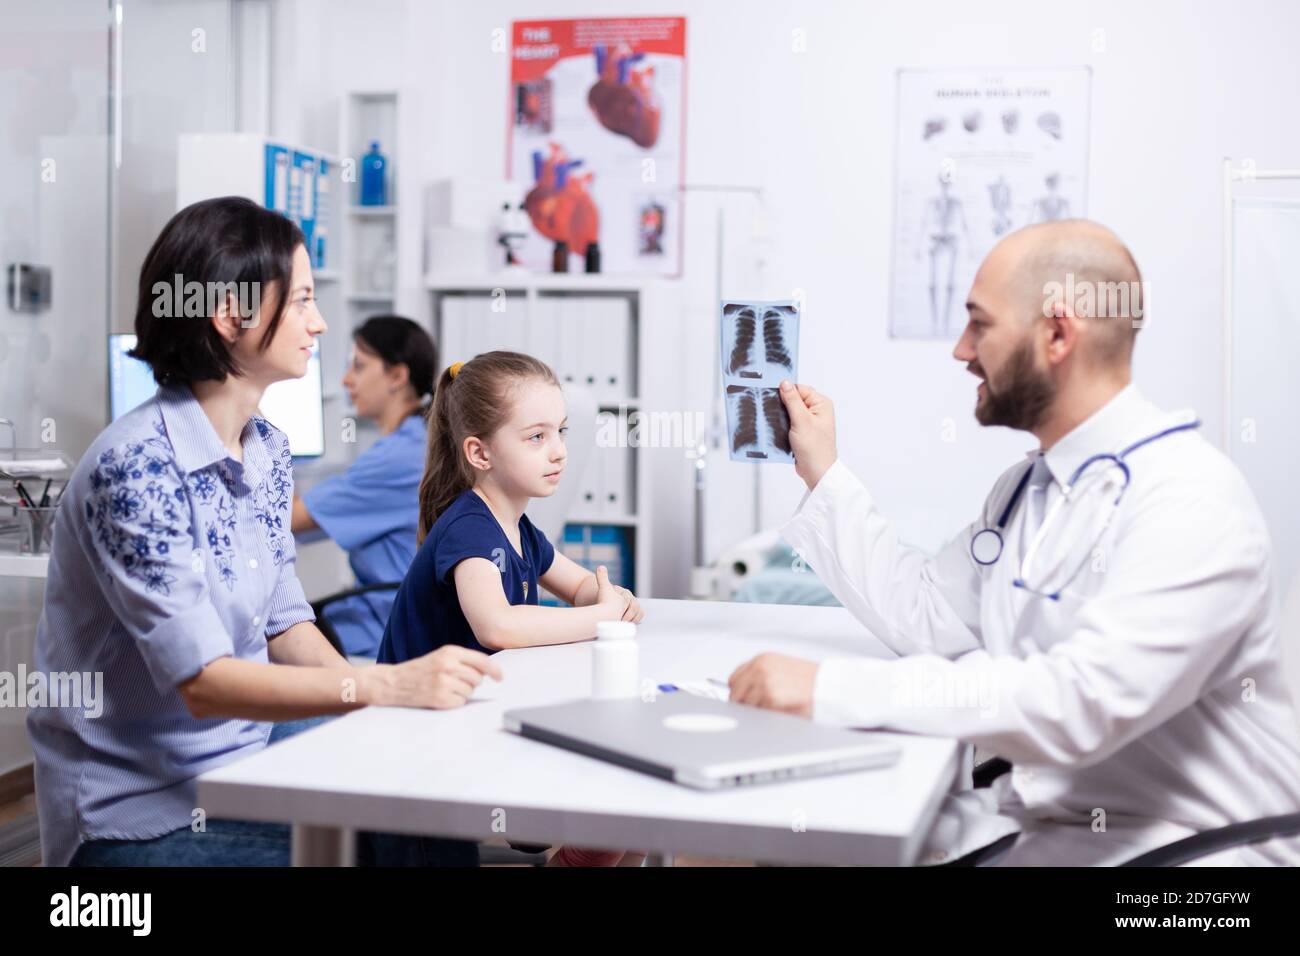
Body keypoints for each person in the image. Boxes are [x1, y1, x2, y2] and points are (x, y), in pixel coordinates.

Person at [729, 219, 1300, 865]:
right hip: (1054, 826)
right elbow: (928, 615)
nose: (961, 350)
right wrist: (821, 469)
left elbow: (1079, 703)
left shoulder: (1191, 500)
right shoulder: (1028, 488)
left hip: (1184, 852)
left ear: (1057, 332)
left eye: (979, 323)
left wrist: (829, 688)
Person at [27, 197, 500, 867]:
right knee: (390, 837)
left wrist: (380, 712)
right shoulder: (135, 469)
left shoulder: (268, 452)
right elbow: (205, 682)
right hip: (138, 809)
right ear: (229, 315)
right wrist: (382, 686)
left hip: (247, 753)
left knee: (428, 792)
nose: (320, 321)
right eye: (303, 299)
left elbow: (285, 623)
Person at [379, 350, 644, 866]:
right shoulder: (469, 528)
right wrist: (600, 616)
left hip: (476, 718)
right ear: (480, 453)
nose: (560, 452)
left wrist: (613, 599)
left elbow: (582, 588)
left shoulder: (519, 528)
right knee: (616, 808)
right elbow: (497, 624)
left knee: (633, 811)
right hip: (419, 744)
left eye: (562, 432)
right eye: (536, 437)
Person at [291, 315, 435, 657]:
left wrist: (256, 434)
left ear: (397, 376)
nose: (346, 380)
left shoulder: (398, 458)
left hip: (383, 627)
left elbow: (292, 520)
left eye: (358, 366)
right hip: (397, 614)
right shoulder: (419, 440)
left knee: (264, 640)